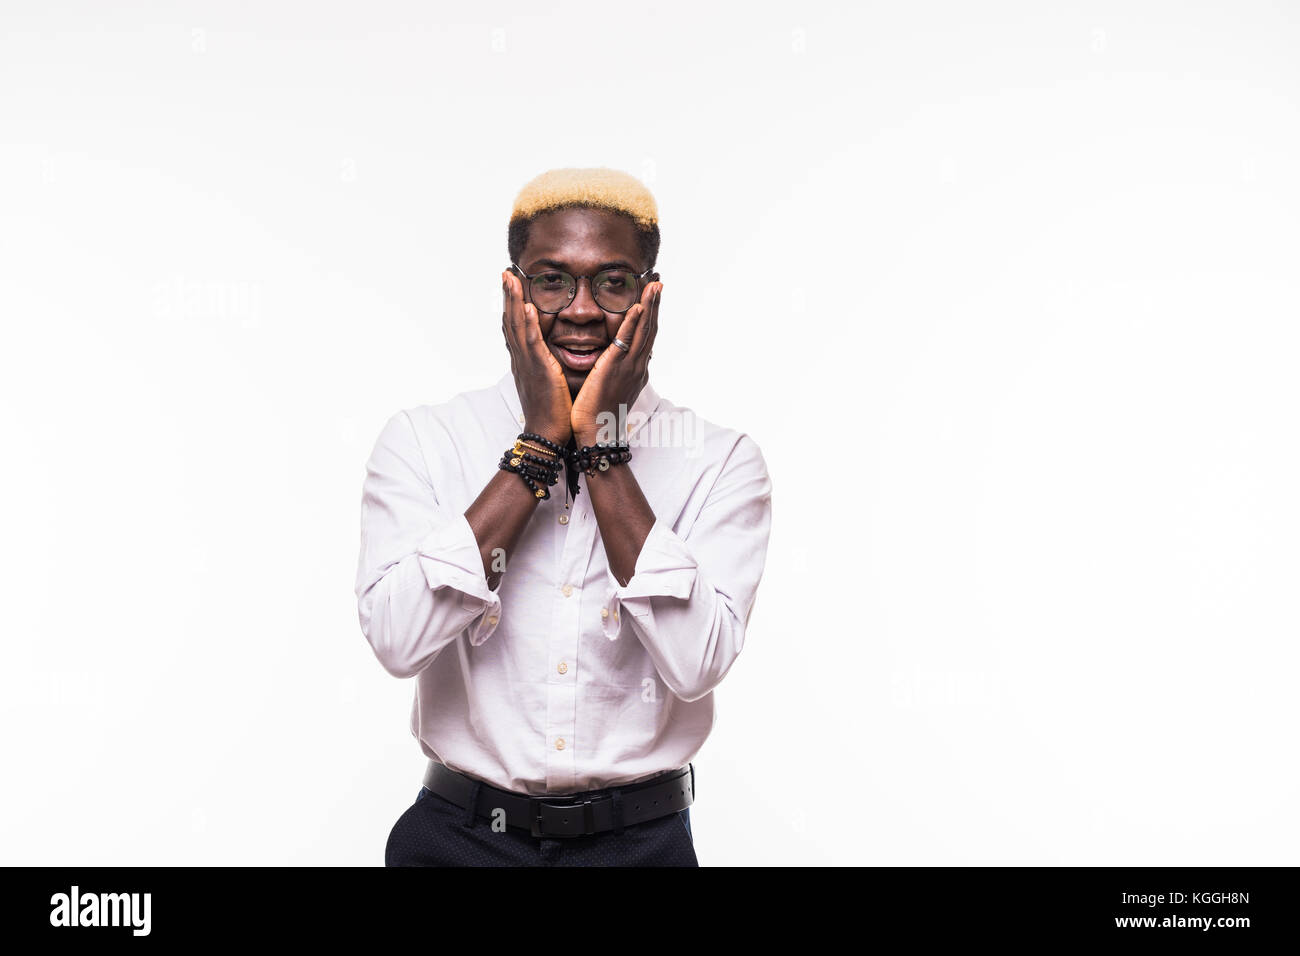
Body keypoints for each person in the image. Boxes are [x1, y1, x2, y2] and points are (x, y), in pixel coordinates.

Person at [355, 166, 773, 866]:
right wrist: (540, 446)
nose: (581, 309)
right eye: (552, 280)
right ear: (512, 291)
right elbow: (399, 641)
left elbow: (696, 663)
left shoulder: (721, 460)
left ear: (650, 296)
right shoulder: (425, 440)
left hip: (639, 848)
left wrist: (603, 451)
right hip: (457, 841)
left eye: (612, 282)